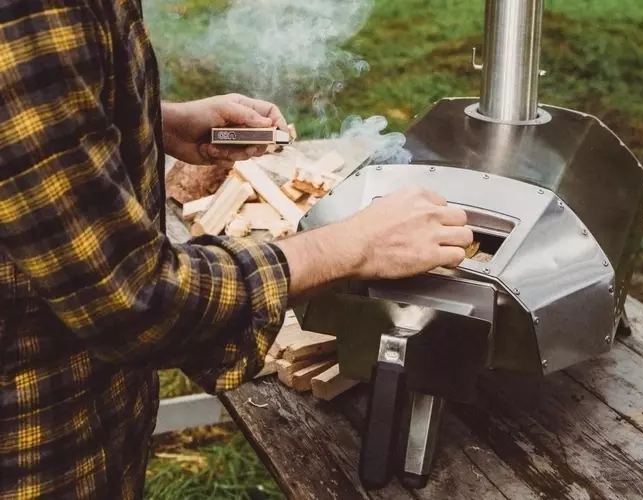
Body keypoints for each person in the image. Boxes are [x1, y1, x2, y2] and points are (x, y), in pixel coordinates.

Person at [0, 1, 472, 498]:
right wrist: (349, 247)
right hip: (37, 440)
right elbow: (135, 298)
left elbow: (28, 117)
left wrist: (155, 120)